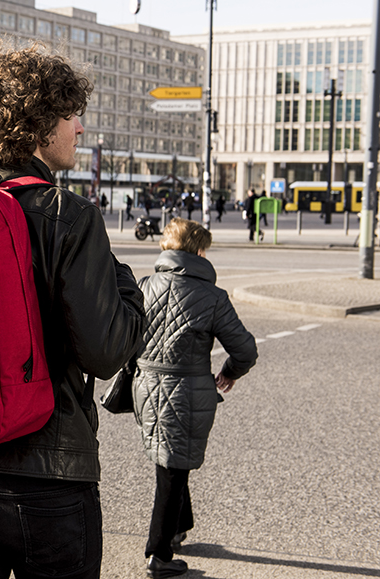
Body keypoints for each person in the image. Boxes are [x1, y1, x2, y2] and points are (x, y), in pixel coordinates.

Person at [0, 39, 145, 579]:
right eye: (73, 116)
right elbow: (106, 351)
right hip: (48, 483)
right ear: (43, 125)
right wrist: (127, 287)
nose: (80, 129)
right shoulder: (68, 216)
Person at [131, 218, 258, 578]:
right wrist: (230, 371)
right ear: (200, 251)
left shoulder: (145, 285)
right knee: (172, 469)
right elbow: (245, 350)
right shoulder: (212, 297)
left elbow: (127, 335)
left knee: (169, 457)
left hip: (145, 385)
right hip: (186, 390)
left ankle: (179, 524)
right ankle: (159, 553)